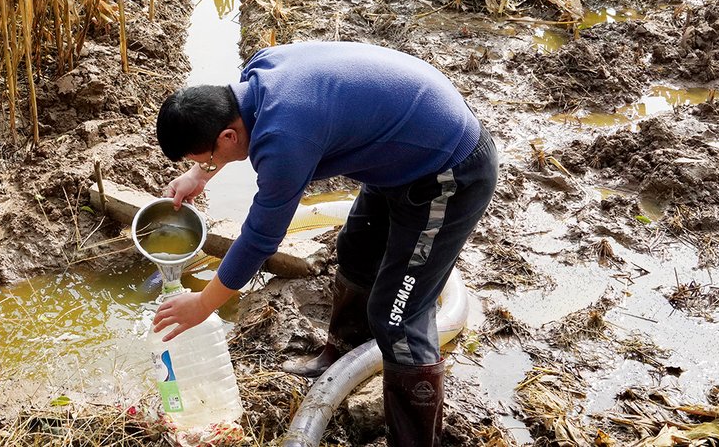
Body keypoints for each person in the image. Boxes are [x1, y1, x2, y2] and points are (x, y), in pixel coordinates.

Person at [151, 40, 497, 447]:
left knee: (398, 315)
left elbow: (260, 238)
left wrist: (203, 304)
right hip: (404, 155)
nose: (207, 164)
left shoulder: (282, 139)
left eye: (206, 157)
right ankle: (340, 358)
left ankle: (418, 442)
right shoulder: (258, 74)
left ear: (228, 134)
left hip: (448, 173)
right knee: (356, 250)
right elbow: (231, 135)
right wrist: (201, 174)